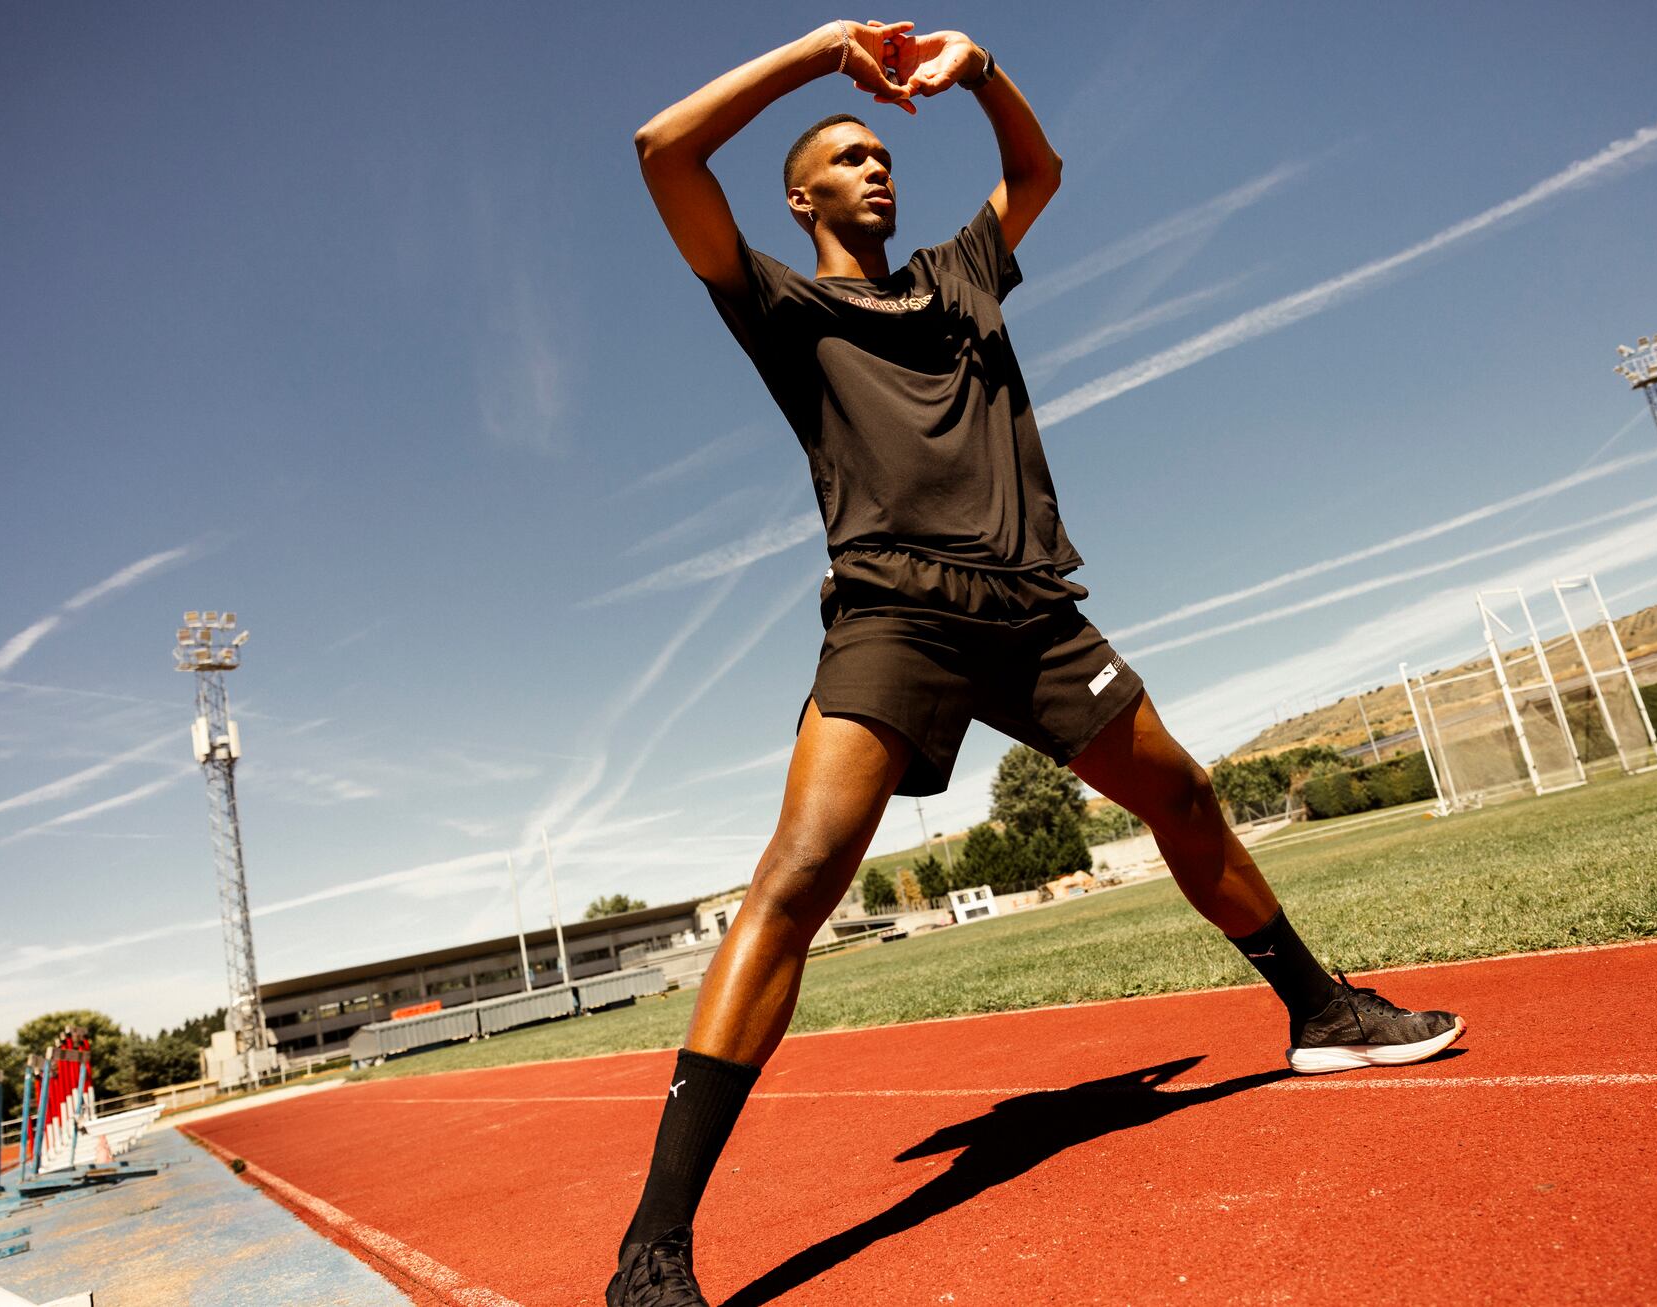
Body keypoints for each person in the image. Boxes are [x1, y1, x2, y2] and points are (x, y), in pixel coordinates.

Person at [613, 22, 1464, 1305]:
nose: (876, 167)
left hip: (1034, 612)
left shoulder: (958, 277)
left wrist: (982, 67)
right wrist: (823, 57)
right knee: (795, 877)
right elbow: (660, 149)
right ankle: (654, 1250)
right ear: (803, 198)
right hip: (893, 616)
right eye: (849, 160)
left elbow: (1040, 170)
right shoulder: (779, 303)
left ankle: (1322, 1013)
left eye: (882, 154)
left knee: (1182, 794)